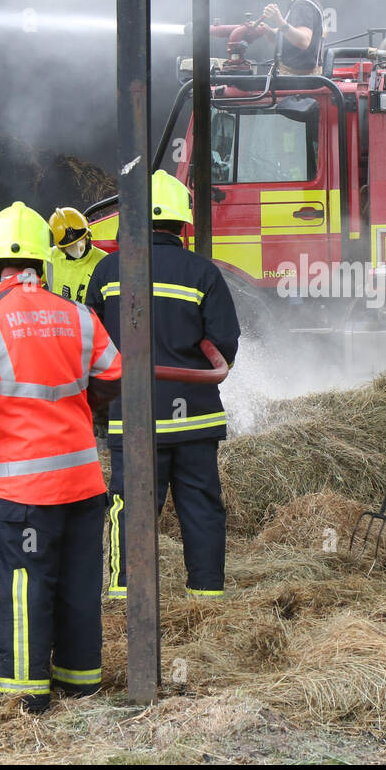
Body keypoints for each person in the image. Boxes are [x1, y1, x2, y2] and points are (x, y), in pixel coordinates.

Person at [0, 201, 122, 714]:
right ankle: (80, 685)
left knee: (25, 587)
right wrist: (79, 407)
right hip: (82, 484)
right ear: (43, 261)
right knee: (79, 586)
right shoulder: (79, 315)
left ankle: (25, 698)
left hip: (24, 494)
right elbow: (113, 376)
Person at [87, 170, 241, 601]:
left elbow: (90, 343)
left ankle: (124, 594)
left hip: (134, 417)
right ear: (181, 221)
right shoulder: (203, 272)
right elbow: (226, 344)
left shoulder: (108, 270)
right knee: (202, 507)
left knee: (130, 506)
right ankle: (206, 595)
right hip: (196, 417)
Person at [260, 0, 324, 76]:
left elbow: (303, 41)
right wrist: (268, 30)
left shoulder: (302, 6)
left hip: (296, 82)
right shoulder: (307, 2)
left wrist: (279, 22)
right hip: (301, 80)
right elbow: (291, 39)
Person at [46, 206, 106, 305]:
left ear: (88, 235)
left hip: (90, 320)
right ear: (61, 247)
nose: (78, 247)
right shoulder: (50, 257)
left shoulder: (104, 262)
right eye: (70, 246)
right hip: (57, 318)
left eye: (80, 239)